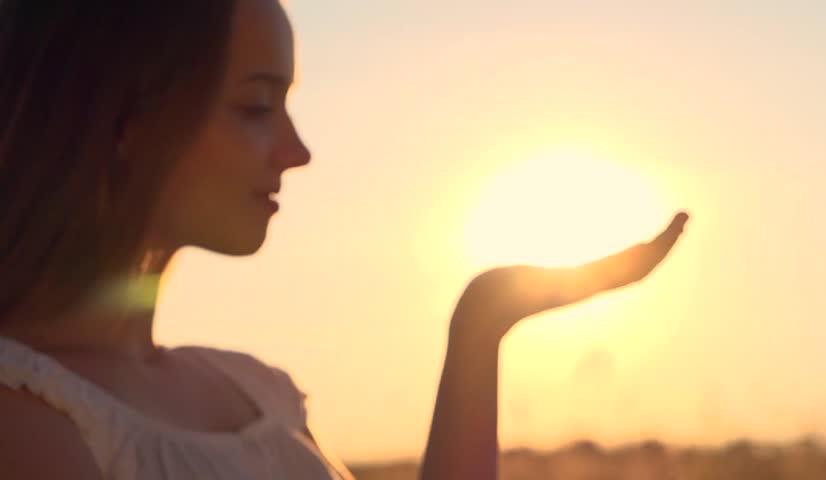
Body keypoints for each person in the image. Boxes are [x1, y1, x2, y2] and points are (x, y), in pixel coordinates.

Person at [0, 0, 690, 479]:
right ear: (130, 120)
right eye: (257, 107)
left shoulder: (253, 392)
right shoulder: (23, 414)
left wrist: (481, 326)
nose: (296, 151)